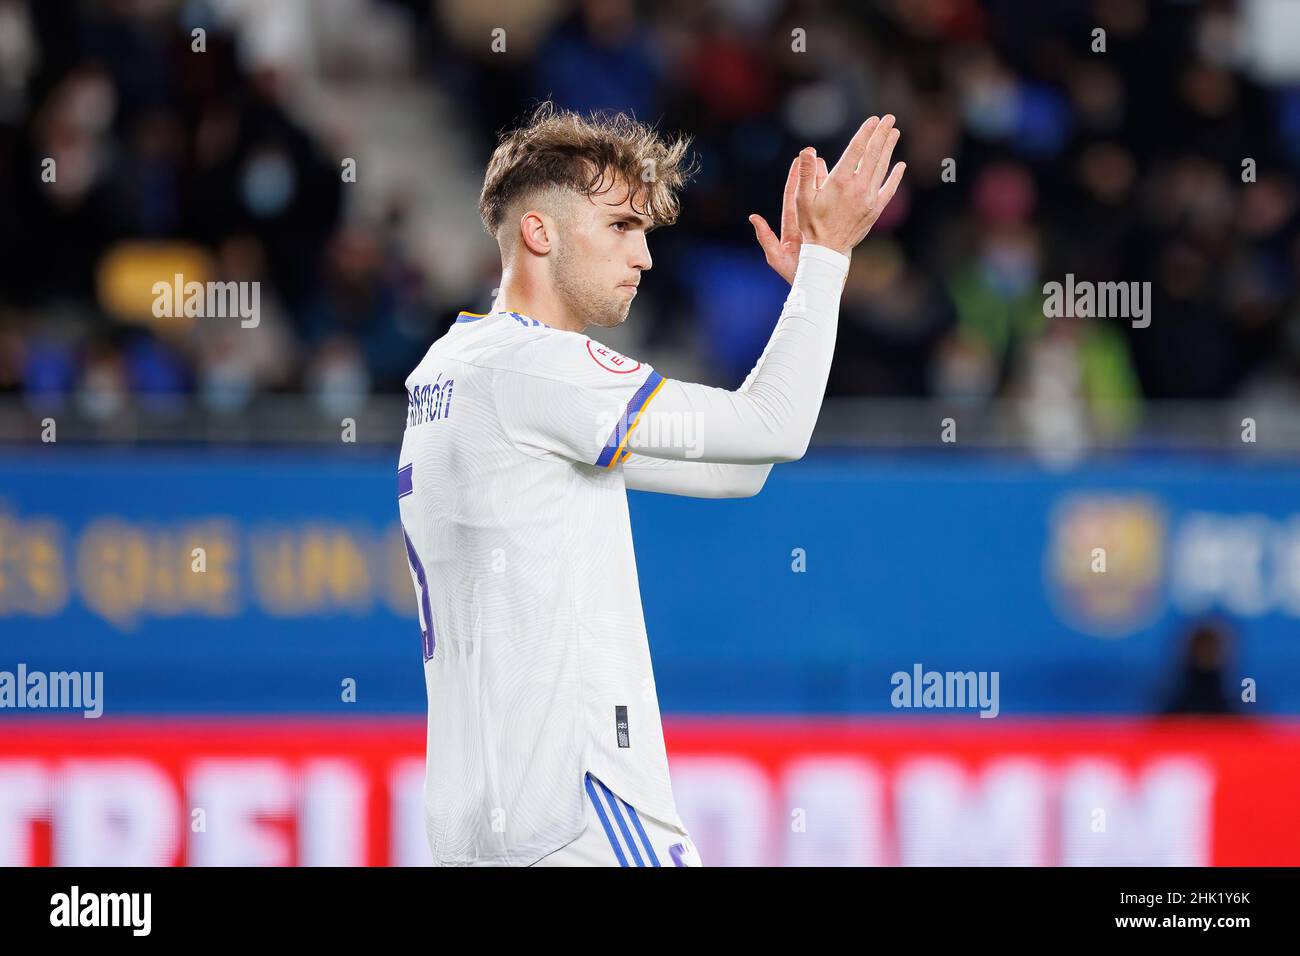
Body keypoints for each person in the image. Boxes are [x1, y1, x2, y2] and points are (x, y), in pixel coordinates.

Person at [397, 101, 904, 865]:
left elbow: (742, 469)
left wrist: (803, 299)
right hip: (582, 810)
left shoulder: (451, 369)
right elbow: (778, 428)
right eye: (622, 228)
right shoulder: (541, 367)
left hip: (478, 827)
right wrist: (828, 261)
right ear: (540, 232)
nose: (645, 258)